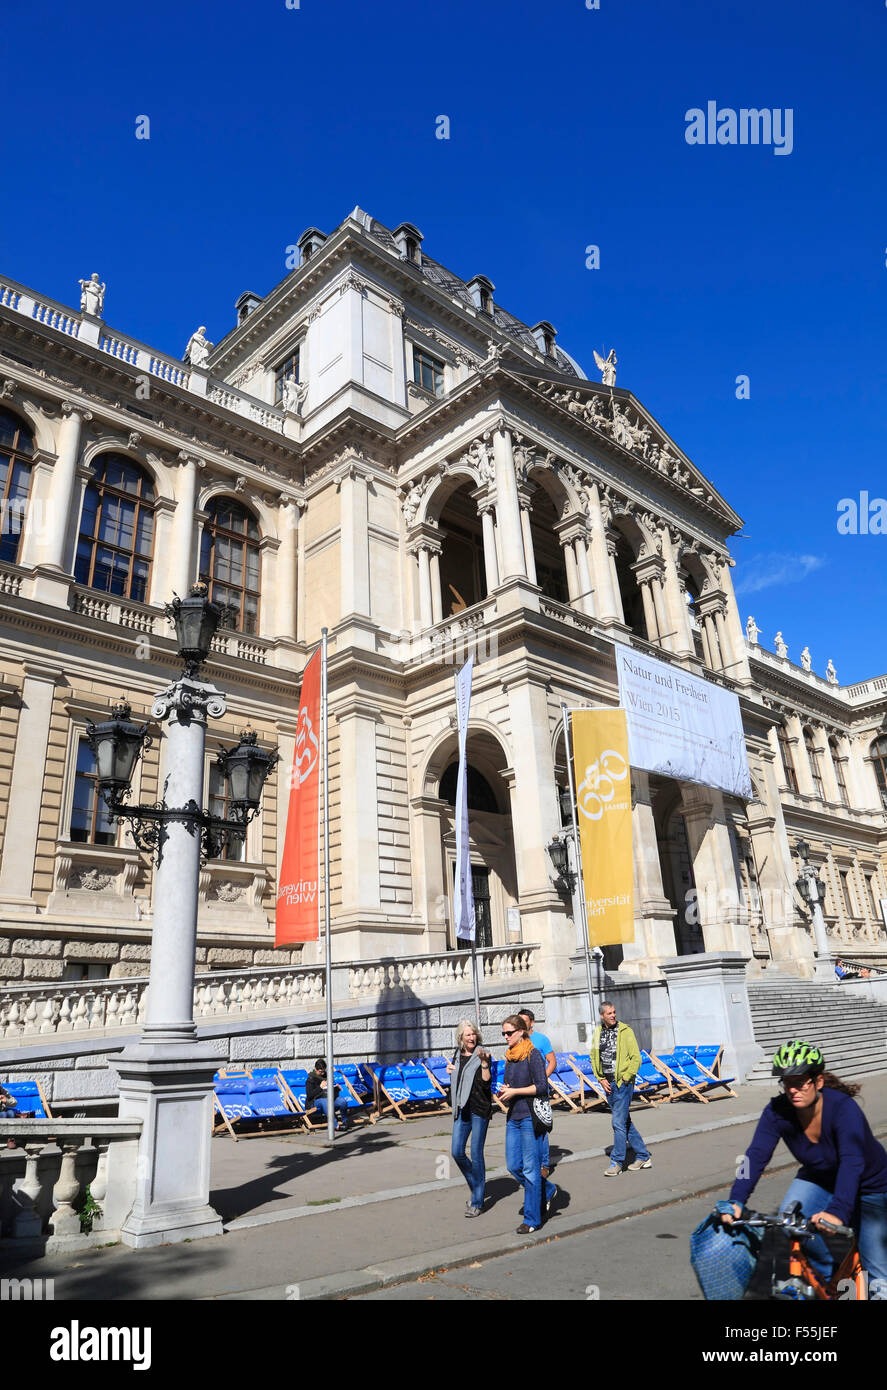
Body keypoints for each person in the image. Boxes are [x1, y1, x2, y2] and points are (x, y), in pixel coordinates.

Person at [722, 1040, 887, 1292]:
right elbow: (754, 1156)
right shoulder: (777, 1111)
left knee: (878, 1276)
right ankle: (827, 1281)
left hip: (870, 1185)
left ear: (818, 1082)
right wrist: (736, 1199)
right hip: (819, 1177)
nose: (793, 1090)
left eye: (800, 1082)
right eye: (787, 1083)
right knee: (791, 1222)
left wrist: (837, 1211)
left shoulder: (843, 1109)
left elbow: (852, 1161)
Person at [499, 1014, 557, 1234]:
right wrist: (506, 1090)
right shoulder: (510, 1057)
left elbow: (542, 1086)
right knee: (513, 1165)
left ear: (521, 1031)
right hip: (513, 1116)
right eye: (503, 1033)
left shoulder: (533, 1055)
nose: (506, 1037)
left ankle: (532, 1220)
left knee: (531, 1169)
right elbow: (509, 1084)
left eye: (509, 1033)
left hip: (530, 1117)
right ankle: (547, 1189)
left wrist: (515, 1091)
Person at [590, 1000, 652, 1176]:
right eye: (609, 1013)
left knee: (617, 1122)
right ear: (602, 1015)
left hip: (622, 1084)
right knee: (625, 1122)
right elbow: (594, 1056)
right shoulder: (597, 1032)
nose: (613, 1015)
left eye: (614, 1012)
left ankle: (617, 1162)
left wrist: (626, 1077)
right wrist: (600, 1078)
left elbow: (636, 1058)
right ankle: (643, 1156)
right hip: (607, 1084)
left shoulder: (625, 1031)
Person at [447, 1020, 493, 1217]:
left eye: (473, 1034)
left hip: (479, 1109)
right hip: (461, 1108)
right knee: (456, 1151)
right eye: (468, 1035)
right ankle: (477, 1186)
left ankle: (477, 1202)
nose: (472, 1037)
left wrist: (484, 1064)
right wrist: (451, 1072)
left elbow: (486, 1082)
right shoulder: (457, 1055)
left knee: (476, 1153)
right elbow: (457, 1079)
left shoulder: (483, 1053)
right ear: (461, 1038)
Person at [518, 1007, 556, 1177]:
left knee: (540, 1128)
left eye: (524, 1021)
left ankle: (544, 1165)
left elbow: (552, 1062)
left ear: (532, 1023)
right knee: (525, 1127)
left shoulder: (541, 1040)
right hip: (522, 1092)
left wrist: (541, 1078)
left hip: (538, 1092)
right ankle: (529, 1163)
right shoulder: (517, 1040)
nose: (520, 1024)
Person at [305, 1058, 350, 1131]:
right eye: (320, 1071)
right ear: (315, 1069)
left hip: (329, 1098)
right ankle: (336, 1126)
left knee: (342, 1101)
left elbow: (331, 1091)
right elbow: (310, 1095)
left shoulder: (327, 1076)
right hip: (314, 1102)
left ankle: (345, 1122)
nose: (323, 1073)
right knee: (325, 1101)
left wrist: (336, 1088)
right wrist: (320, 1087)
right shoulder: (310, 1079)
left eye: (323, 1071)